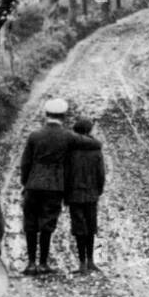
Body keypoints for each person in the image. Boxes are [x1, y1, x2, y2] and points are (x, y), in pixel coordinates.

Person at [19, 97, 73, 275]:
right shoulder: (68, 137)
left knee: (30, 222)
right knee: (47, 223)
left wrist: (25, 183)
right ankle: (43, 263)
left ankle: (31, 263)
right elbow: (70, 164)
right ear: (63, 116)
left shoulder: (35, 136)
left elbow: (25, 163)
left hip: (33, 184)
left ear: (46, 115)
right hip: (55, 186)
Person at [64, 116, 106, 274]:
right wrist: (98, 190)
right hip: (91, 194)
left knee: (79, 228)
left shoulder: (69, 150)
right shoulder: (96, 149)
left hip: (74, 194)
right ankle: (91, 261)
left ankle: (81, 263)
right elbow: (100, 174)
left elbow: (65, 173)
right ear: (89, 130)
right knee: (91, 227)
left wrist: (65, 193)